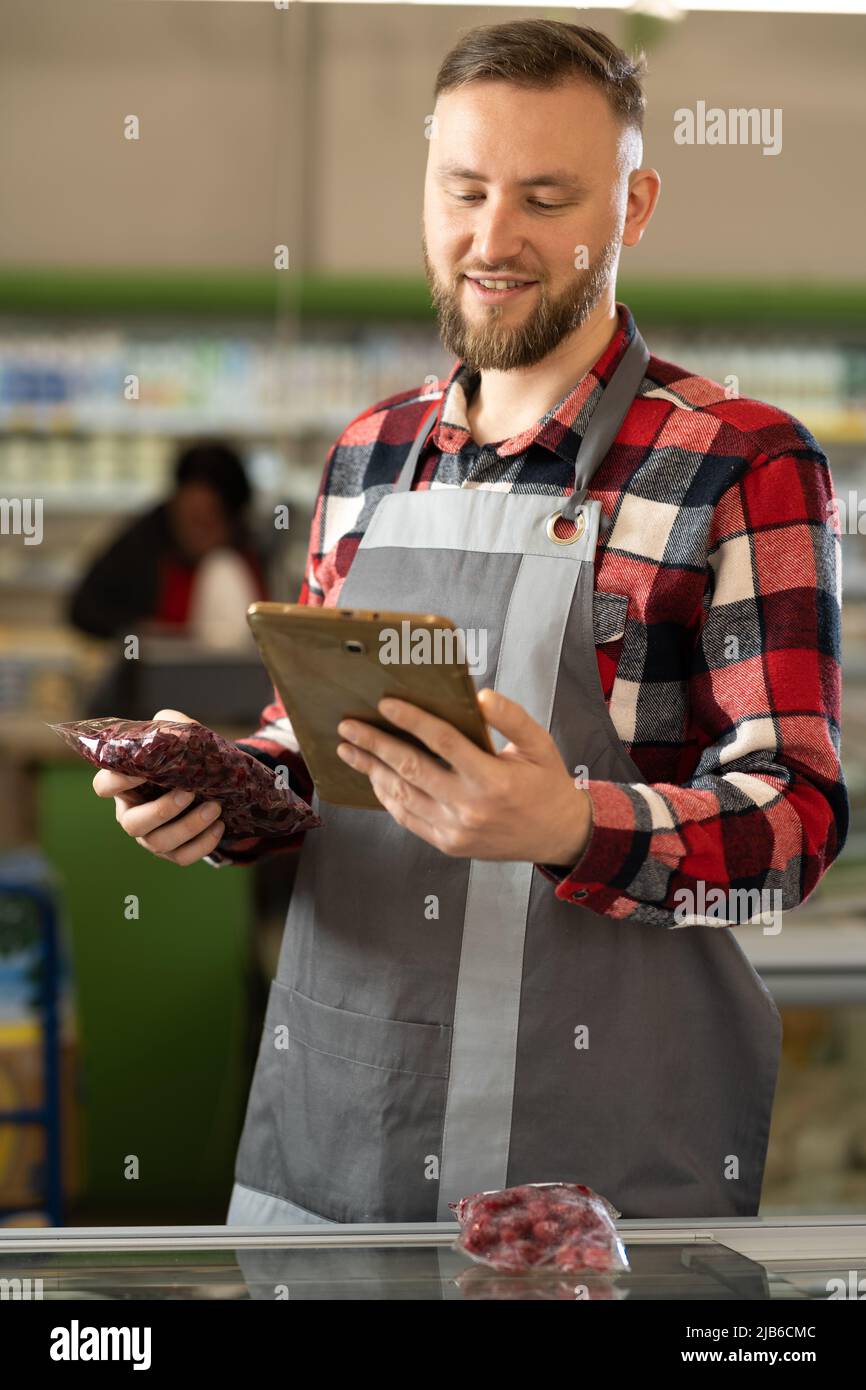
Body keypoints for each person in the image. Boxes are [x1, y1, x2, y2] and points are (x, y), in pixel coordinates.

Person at [91, 21, 848, 1225]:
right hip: (348, 1123)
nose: (492, 241)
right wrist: (228, 789)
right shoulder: (369, 455)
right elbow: (320, 755)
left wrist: (570, 824)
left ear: (632, 205)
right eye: (465, 191)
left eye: (546, 199)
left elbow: (798, 823)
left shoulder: (735, 464)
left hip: (600, 1159)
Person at [67, 441, 267, 640]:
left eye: (207, 524)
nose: (196, 535)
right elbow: (83, 609)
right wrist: (138, 631)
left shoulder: (240, 561)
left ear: (232, 521)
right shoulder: (144, 542)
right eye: (191, 520)